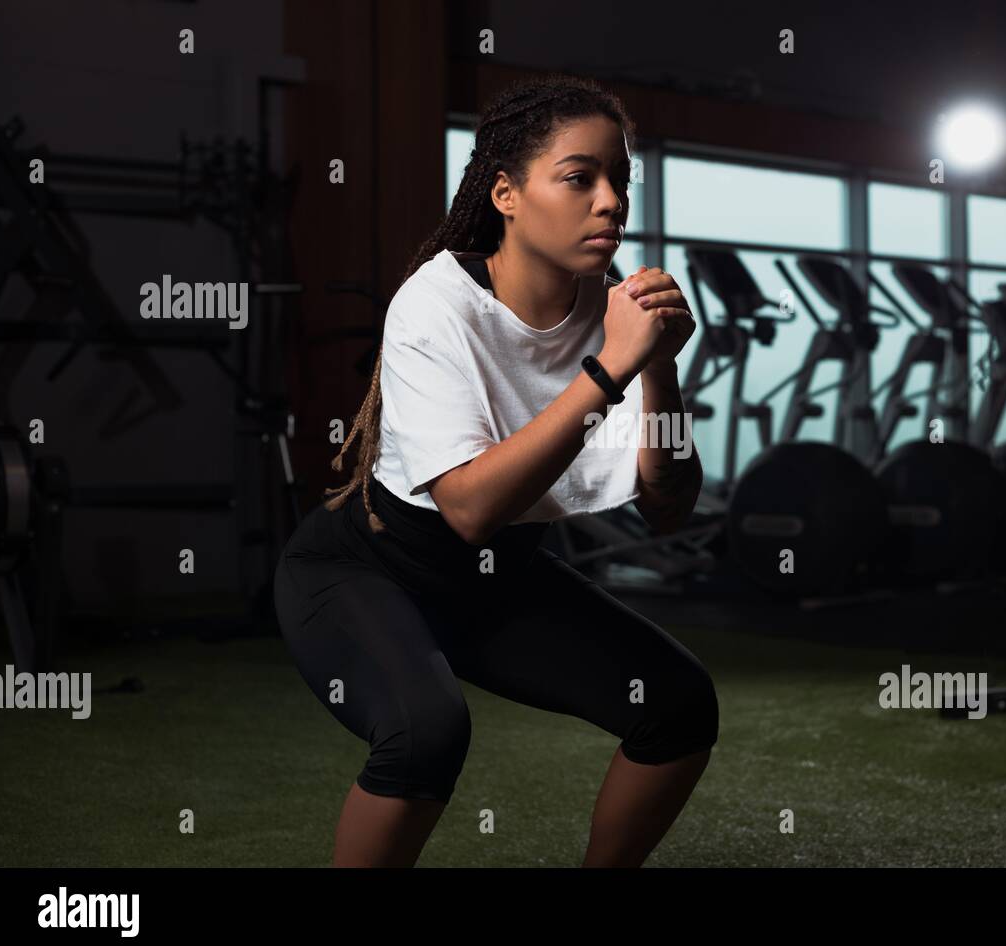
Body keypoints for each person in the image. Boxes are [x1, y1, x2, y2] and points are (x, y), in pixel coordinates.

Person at [272, 74, 719, 868]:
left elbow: (670, 507)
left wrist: (660, 369)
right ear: (507, 195)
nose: (612, 200)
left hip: (494, 578)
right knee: (425, 732)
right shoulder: (435, 303)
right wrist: (613, 368)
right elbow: (470, 508)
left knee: (678, 704)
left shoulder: (618, 315)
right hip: (365, 568)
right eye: (581, 177)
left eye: (621, 179)